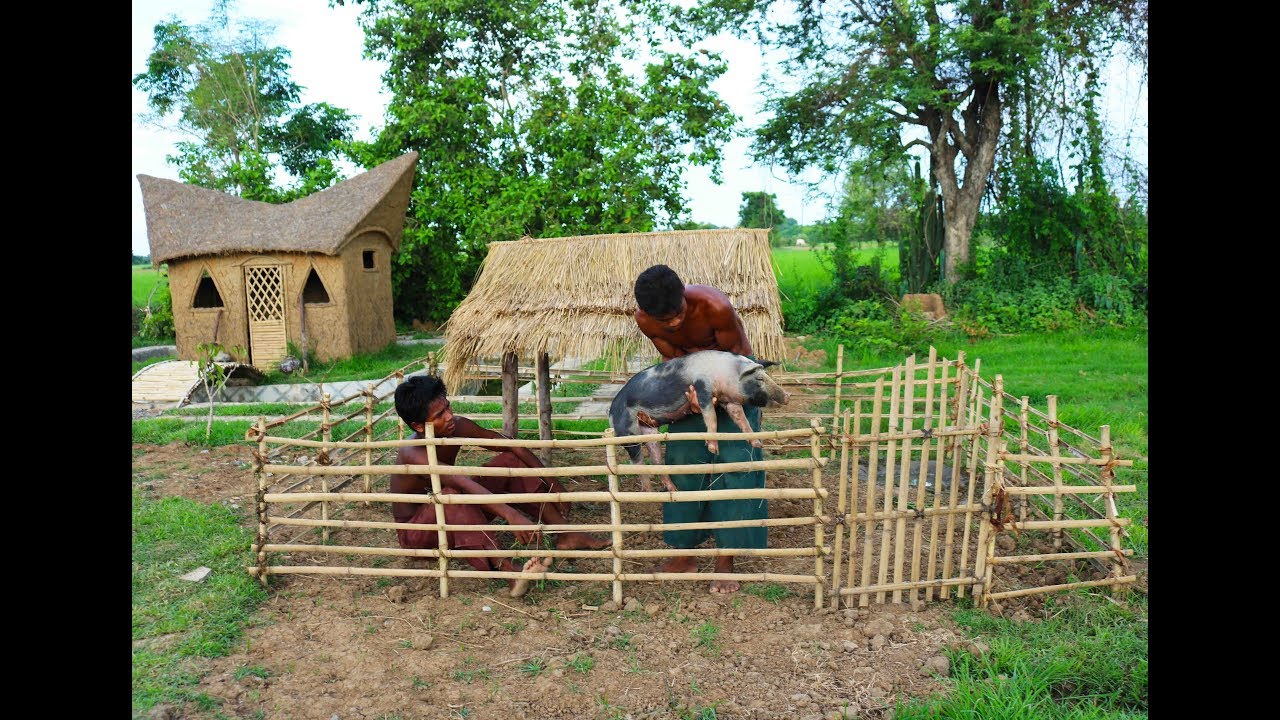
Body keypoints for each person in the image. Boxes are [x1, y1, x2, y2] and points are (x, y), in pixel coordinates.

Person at [391, 374, 610, 596]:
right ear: (418, 426)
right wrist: (510, 515)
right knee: (451, 495)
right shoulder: (412, 453)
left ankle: (564, 532)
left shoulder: (456, 426)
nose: (450, 417)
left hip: (457, 515)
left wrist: (553, 484)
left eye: (448, 407)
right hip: (420, 533)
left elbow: (510, 446)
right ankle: (509, 573)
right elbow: (460, 482)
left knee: (509, 461)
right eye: (440, 415)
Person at [632, 263, 766, 594]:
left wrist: (715, 393)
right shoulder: (646, 319)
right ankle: (685, 553)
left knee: (736, 465)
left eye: (677, 313)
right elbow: (675, 360)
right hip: (688, 387)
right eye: (665, 321)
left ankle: (725, 560)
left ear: (684, 296)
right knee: (683, 464)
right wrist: (690, 396)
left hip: (733, 379)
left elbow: (736, 358)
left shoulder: (714, 306)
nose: (674, 322)